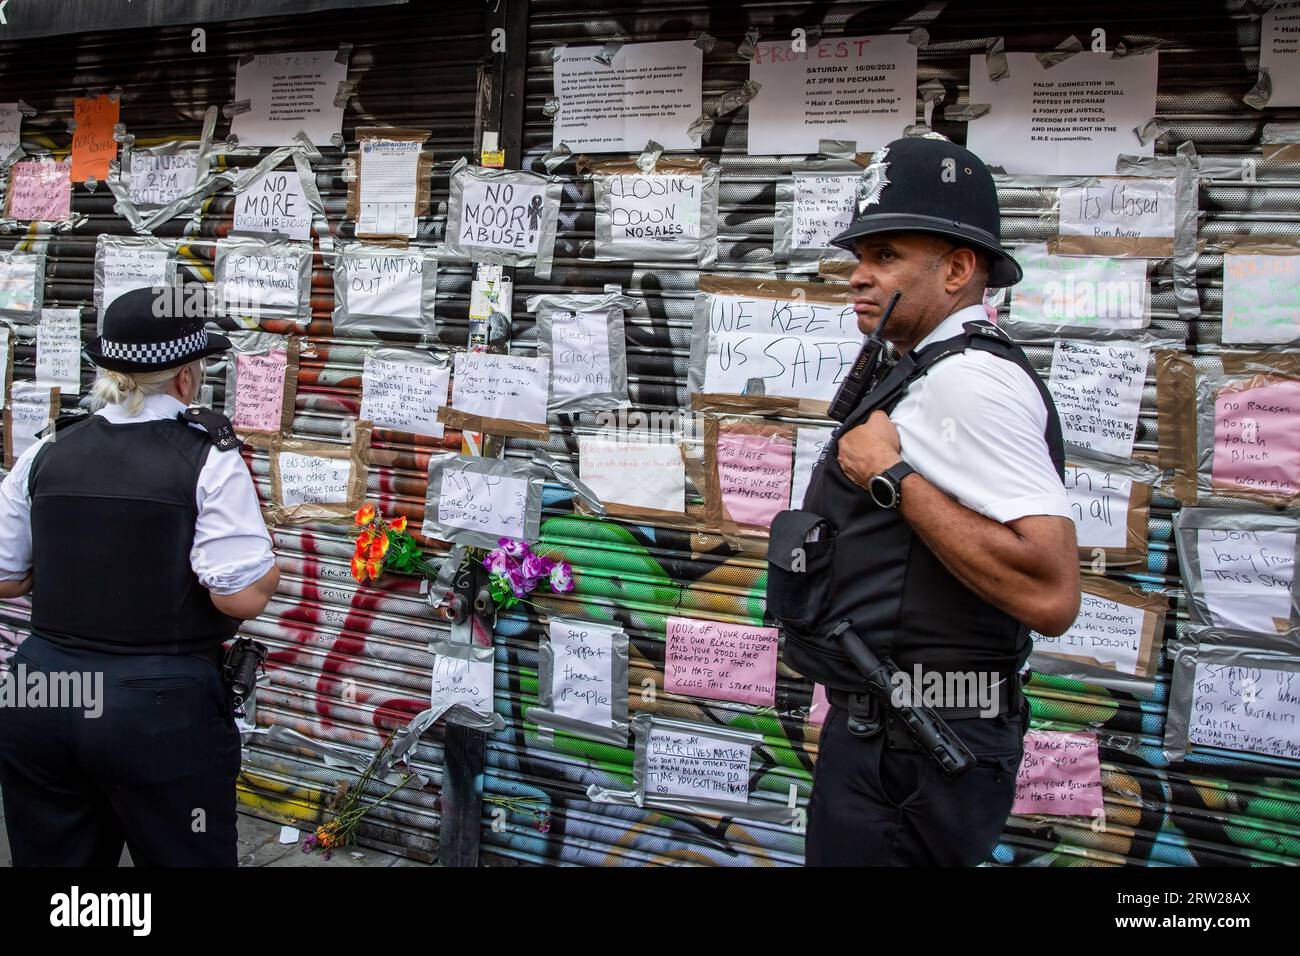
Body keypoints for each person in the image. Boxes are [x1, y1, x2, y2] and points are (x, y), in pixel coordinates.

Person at [770, 138, 1081, 866]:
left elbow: (1051, 590)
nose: (858, 276)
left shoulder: (968, 381)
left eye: (885, 256)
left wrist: (891, 476)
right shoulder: (932, 369)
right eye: (860, 256)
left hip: (917, 753)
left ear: (957, 268)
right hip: (899, 739)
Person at [0, 286, 279, 866]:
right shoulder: (208, 456)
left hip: (41, 693)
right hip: (157, 706)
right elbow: (240, 597)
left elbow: (5, 578)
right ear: (184, 377)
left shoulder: (48, 449)